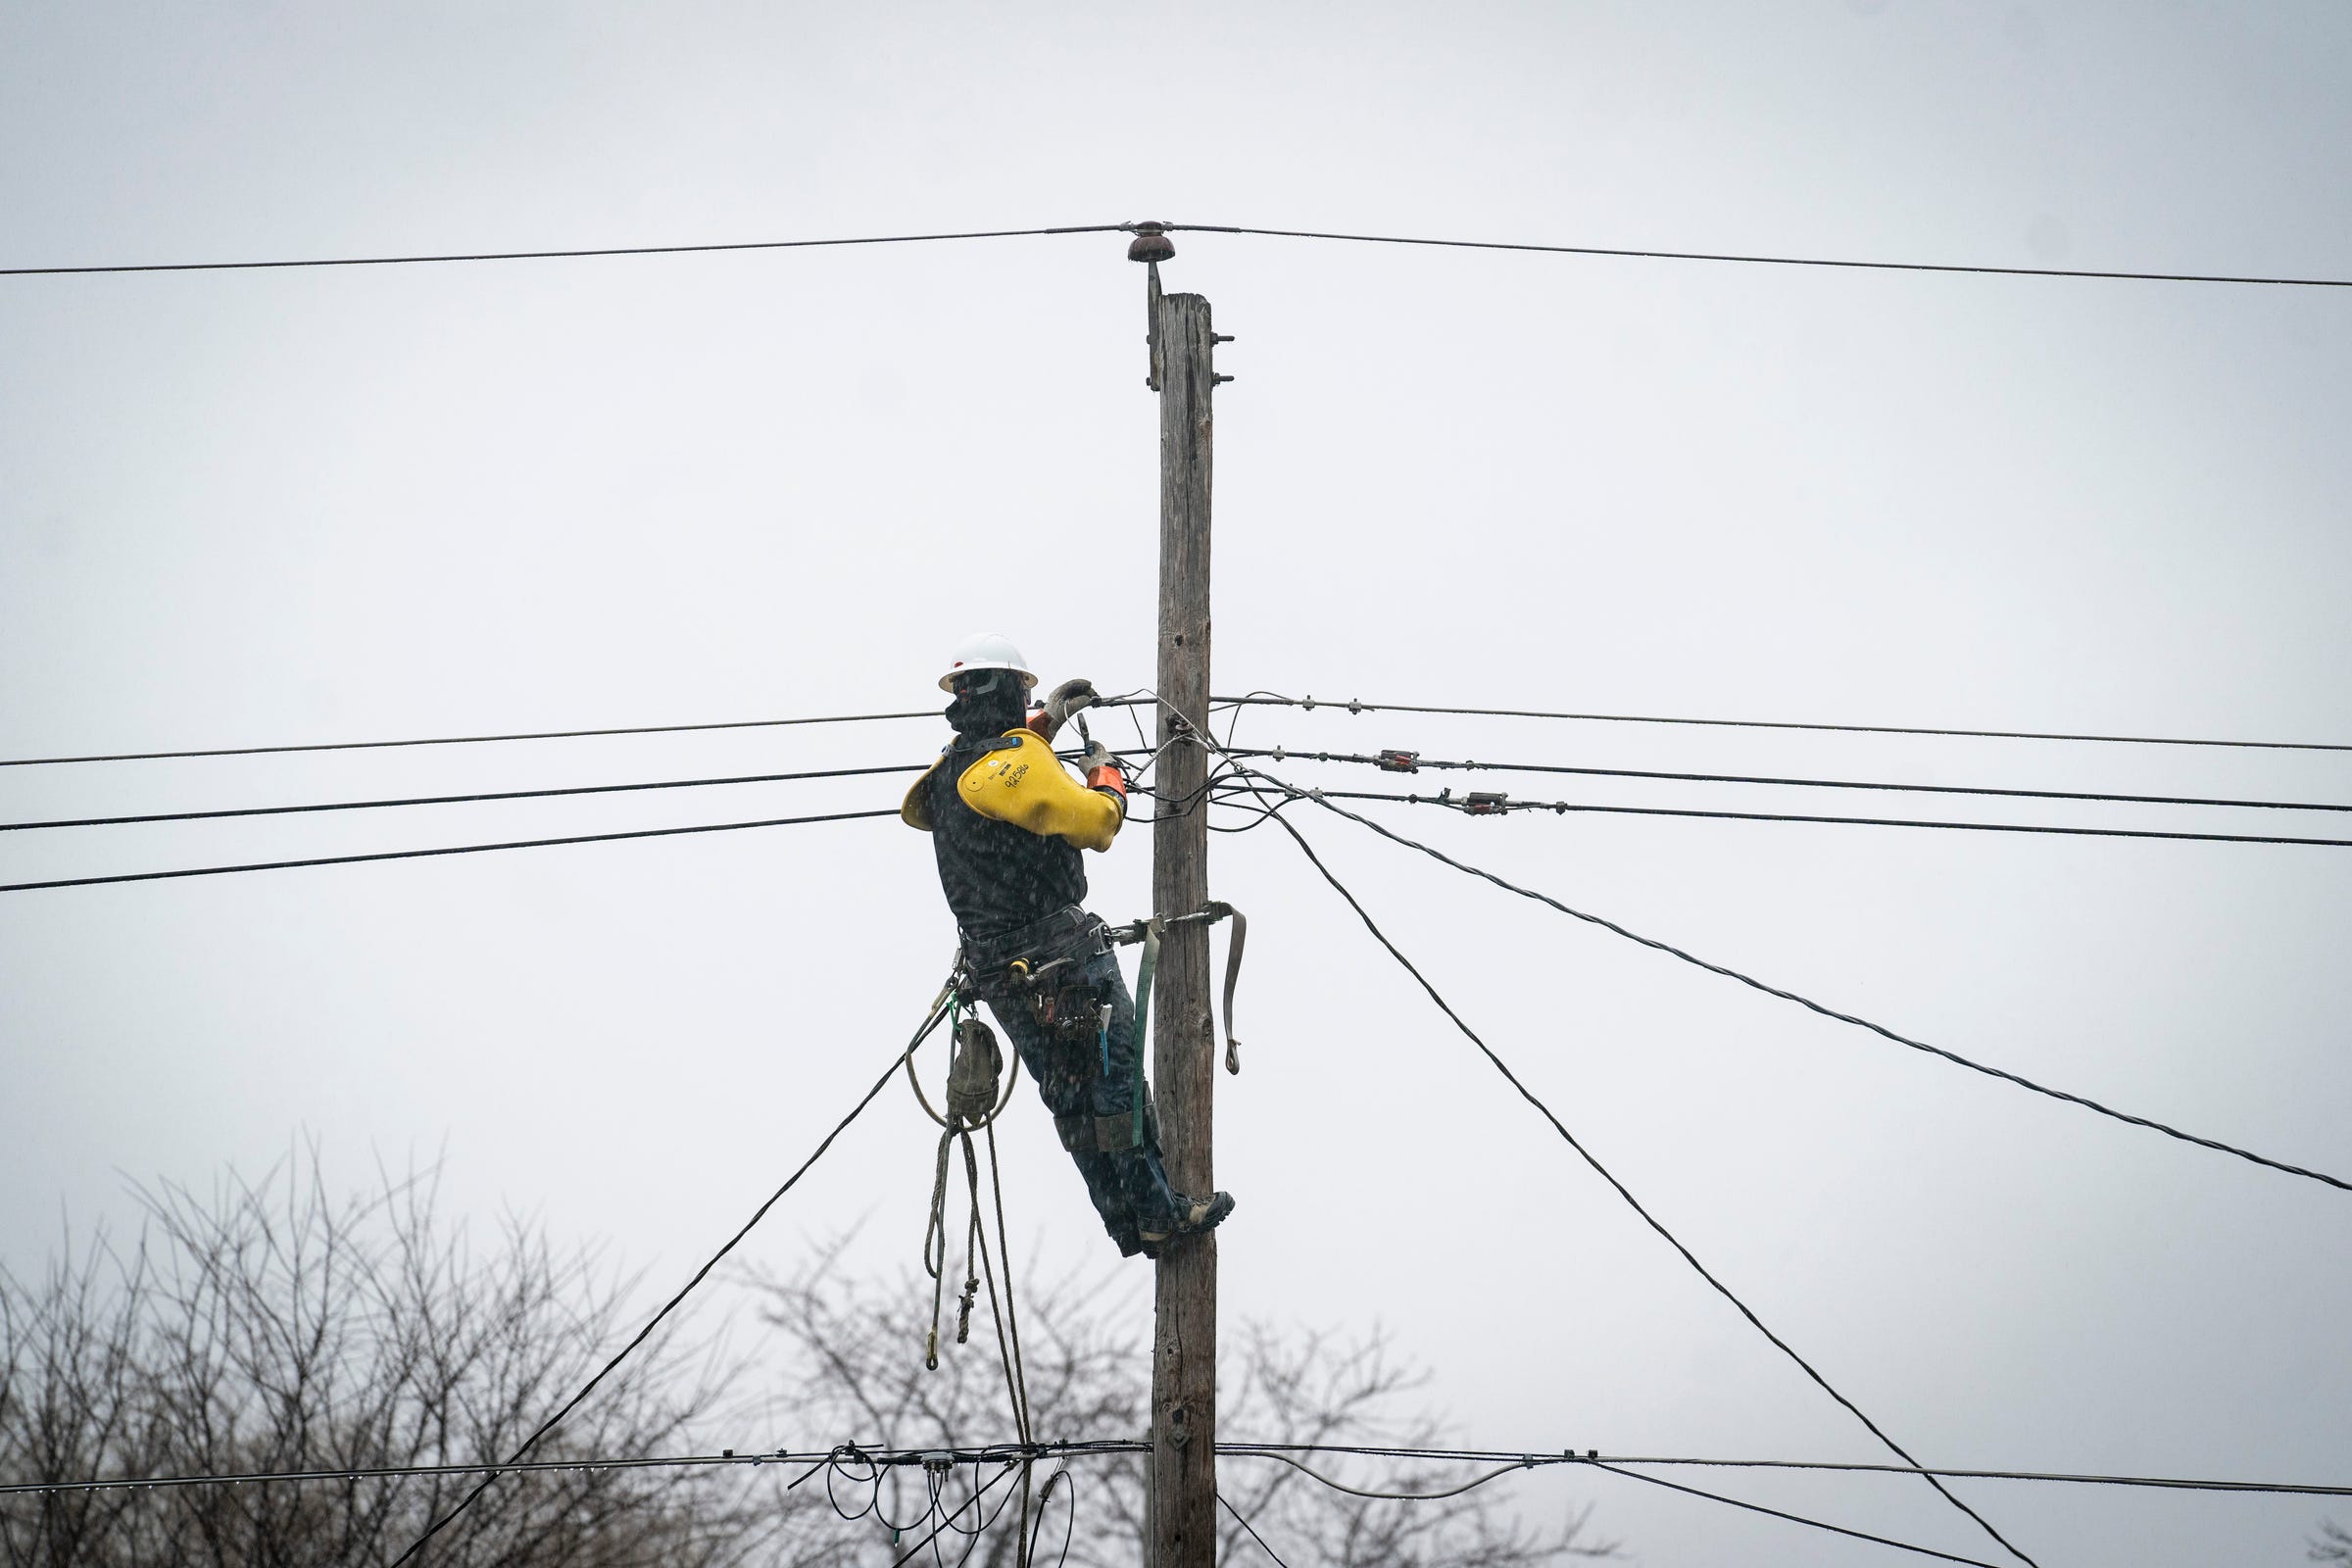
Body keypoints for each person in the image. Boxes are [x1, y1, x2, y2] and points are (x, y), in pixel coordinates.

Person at [903, 632, 1234, 1258]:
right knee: (1114, 1087)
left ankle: (1126, 1223)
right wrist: (1107, 779)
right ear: (1012, 692)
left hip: (1000, 971)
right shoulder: (1004, 772)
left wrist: (1048, 720)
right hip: (1061, 954)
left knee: (1071, 1101)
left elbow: (1002, 767)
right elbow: (1096, 823)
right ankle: (1161, 1212)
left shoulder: (951, 772)